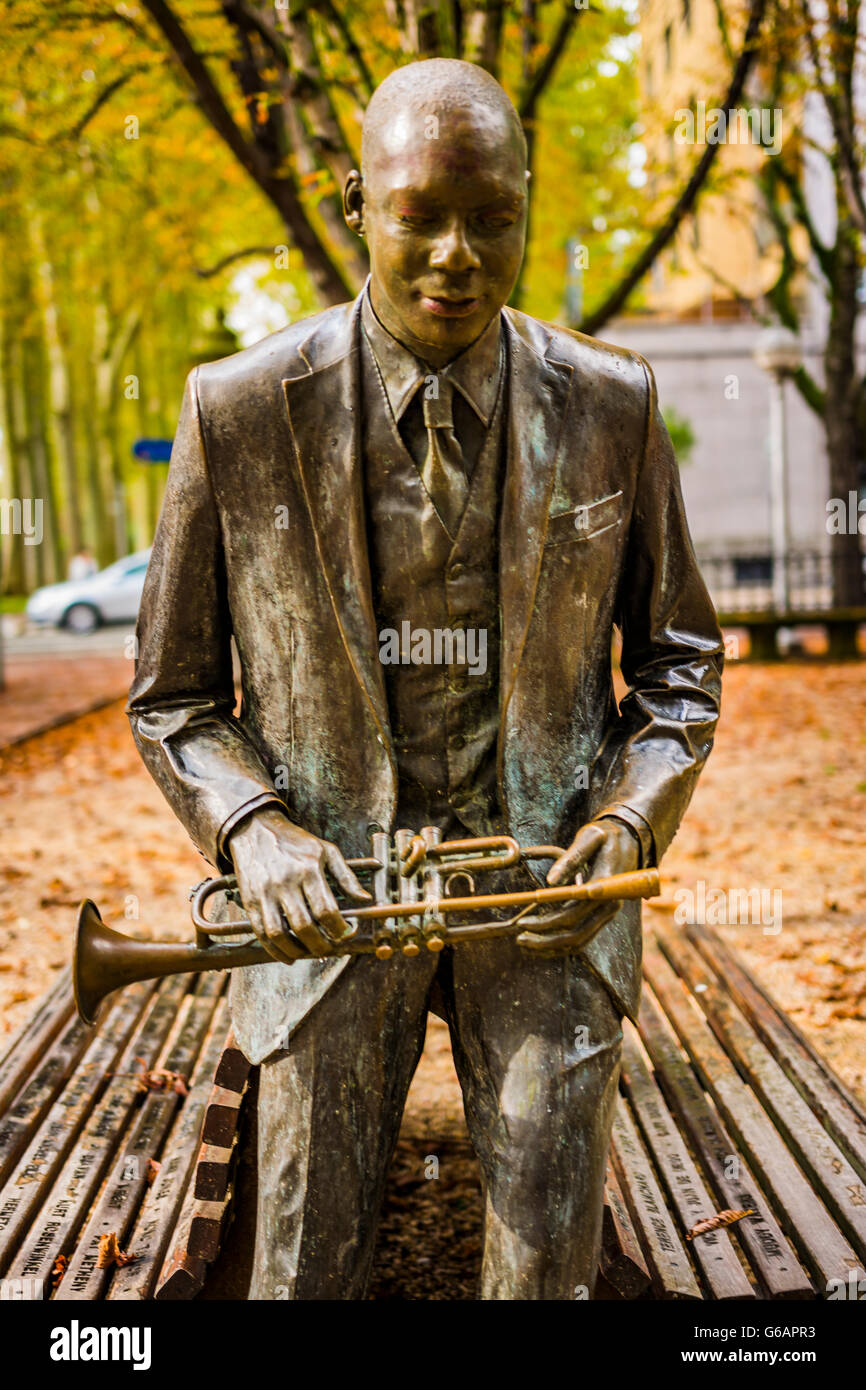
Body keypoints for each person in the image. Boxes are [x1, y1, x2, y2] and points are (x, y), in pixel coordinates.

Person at [127, 58, 723, 1300]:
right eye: (417, 214)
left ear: (525, 202)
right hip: (326, 905)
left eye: (491, 217)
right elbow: (171, 697)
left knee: (545, 1267)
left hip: (542, 897)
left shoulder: (612, 403)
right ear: (355, 201)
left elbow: (677, 668)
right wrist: (254, 831)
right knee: (299, 1264)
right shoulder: (235, 411)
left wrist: (623, 817)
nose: (457, 252)